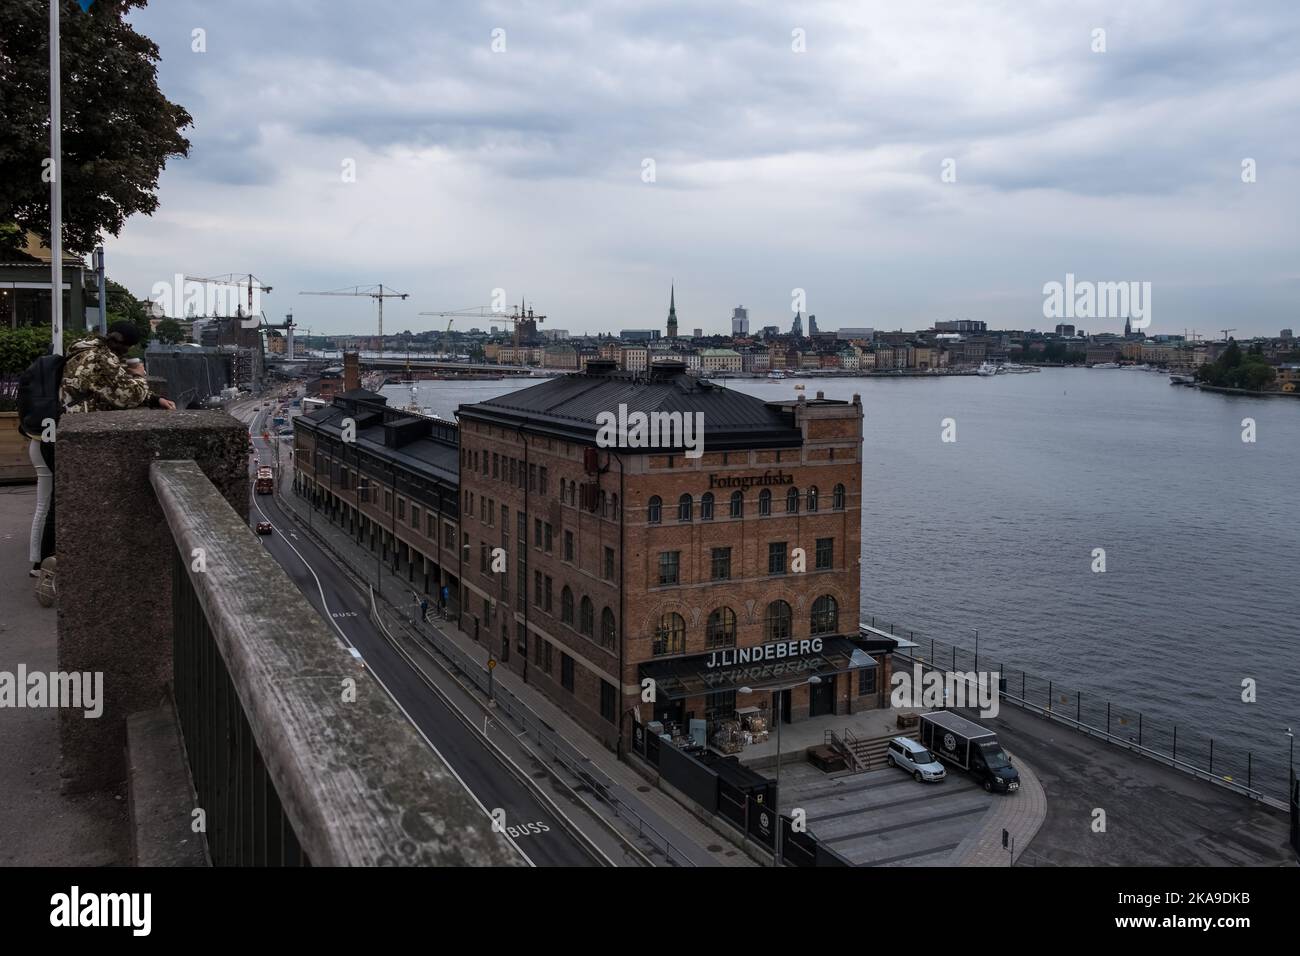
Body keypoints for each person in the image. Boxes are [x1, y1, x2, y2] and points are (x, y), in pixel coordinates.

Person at [28, 322, 177, 605]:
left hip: (49, 430)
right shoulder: (104, 358)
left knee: (50, 502)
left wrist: (154, 398)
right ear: (126, 345)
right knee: (63, 504)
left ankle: (41, 564)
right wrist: (139, 376)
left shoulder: (85, 347)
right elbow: (126, 395)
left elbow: (102, 388)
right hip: (69, 435)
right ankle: (51, 568)